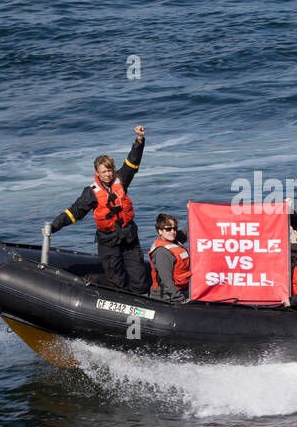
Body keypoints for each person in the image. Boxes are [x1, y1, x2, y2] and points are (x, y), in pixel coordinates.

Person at [46, 125, 148, 294]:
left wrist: (139, 140)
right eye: (104, 172)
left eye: (110, 170)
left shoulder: (121, 180)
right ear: (97, 173)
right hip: (108, 241)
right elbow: (74, 212)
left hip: (129, 238)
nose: (108, 174)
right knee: (116, 279)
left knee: (139, 276)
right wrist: (54, 226)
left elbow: (133, 162)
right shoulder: (91, 192)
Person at [148, 213, 190, 301]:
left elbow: (186, 230)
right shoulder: (162, 253)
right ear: (160, 231)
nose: (172, 232)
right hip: (167, 296)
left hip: (183, 288)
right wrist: (180, 299)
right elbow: (167, 281)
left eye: (175, 228)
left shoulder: (174, 239)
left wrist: (192, 214)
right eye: (168, 229)